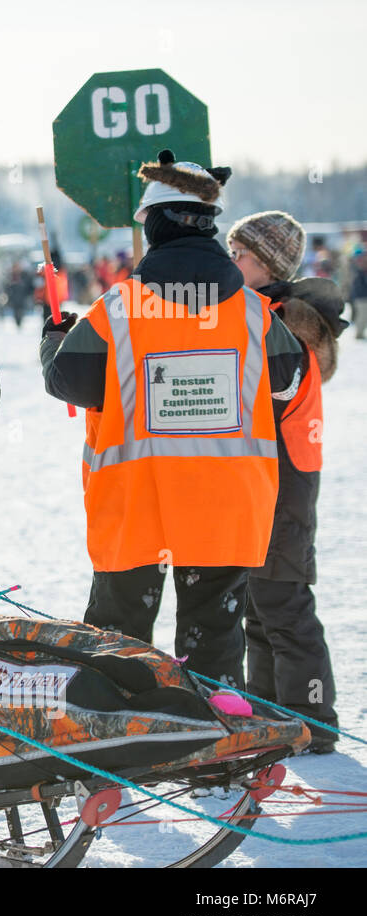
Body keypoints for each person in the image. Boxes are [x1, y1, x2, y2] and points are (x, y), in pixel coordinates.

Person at [41, 151, 303, 690]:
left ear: (155, 225)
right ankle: (216, 756)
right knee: (215, 648)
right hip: (225, 512)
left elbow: (69, 383)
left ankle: (116, 744)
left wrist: (54, 341)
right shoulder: (254, 312)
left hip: (137, 506)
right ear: (210, 226)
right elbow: (288, 382)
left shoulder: (116, 310)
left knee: (118, 645)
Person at [228, 211, 347, 752]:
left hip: (286, 471)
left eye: (241, 255)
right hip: (263, 468)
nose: (232, 264)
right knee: (257, 598)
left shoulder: (284, 318)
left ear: (268, 264)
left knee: (283, 596)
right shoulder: (261, 308)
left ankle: (312, 716)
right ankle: (269, 708)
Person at [349, 244, 367, 340]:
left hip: (362, 295)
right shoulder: (356, 269)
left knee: (364, 315)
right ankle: (359, 334)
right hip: (360, 296)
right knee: (362, 315)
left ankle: (360, 333)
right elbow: (356, 284)